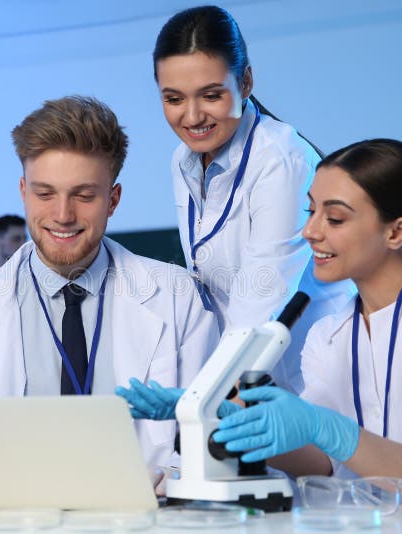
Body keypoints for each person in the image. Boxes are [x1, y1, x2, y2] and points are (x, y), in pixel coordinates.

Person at [119, 139, 402, 481]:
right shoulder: (330, 334)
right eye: (311, 211)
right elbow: (324, 462)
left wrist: (327, 428)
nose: (310, 231)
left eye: (334, 218)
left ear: (398, 231)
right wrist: (216, 415)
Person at [0, 96, 220, 509]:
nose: (62, 215)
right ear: (23, 192)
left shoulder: (178, 299)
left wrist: (176, 476)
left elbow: (210, 439)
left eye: (84, 195)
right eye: (45, 193)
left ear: (113, 199)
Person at [153, 6, 354, 393]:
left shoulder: (282, 160)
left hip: (312, 378)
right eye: (174, 99)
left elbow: (260, 297)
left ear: (245, 82)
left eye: (211, 95)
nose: (192, 117)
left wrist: (204, 398)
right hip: (245, 375)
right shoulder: (183, 160)